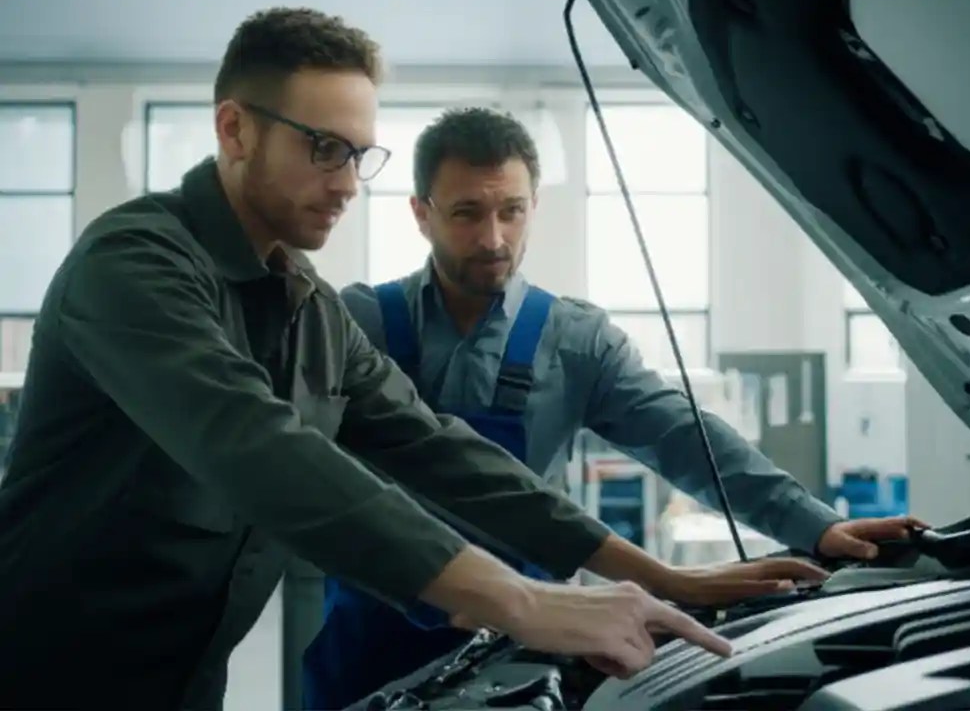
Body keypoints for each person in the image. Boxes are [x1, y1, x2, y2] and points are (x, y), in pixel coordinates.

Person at [0, 9, 831, 711]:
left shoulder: (307, 304)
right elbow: (255, 446)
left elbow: (439, 449)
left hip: (182, 680)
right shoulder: (134, 264)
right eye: (325, 148)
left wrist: (656, 576)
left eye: (359, 154)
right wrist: (524, 600)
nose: (348, 181)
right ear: (233, 129)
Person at [304, 106, 929, 707]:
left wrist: (814, 524)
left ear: (534, 208)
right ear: (421, 213)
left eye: (511, 211)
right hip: (369, 636)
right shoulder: (356, 323)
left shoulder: (575, 340)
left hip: (527, 643)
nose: (493, 238)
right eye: (467, 213)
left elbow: (682, 436)